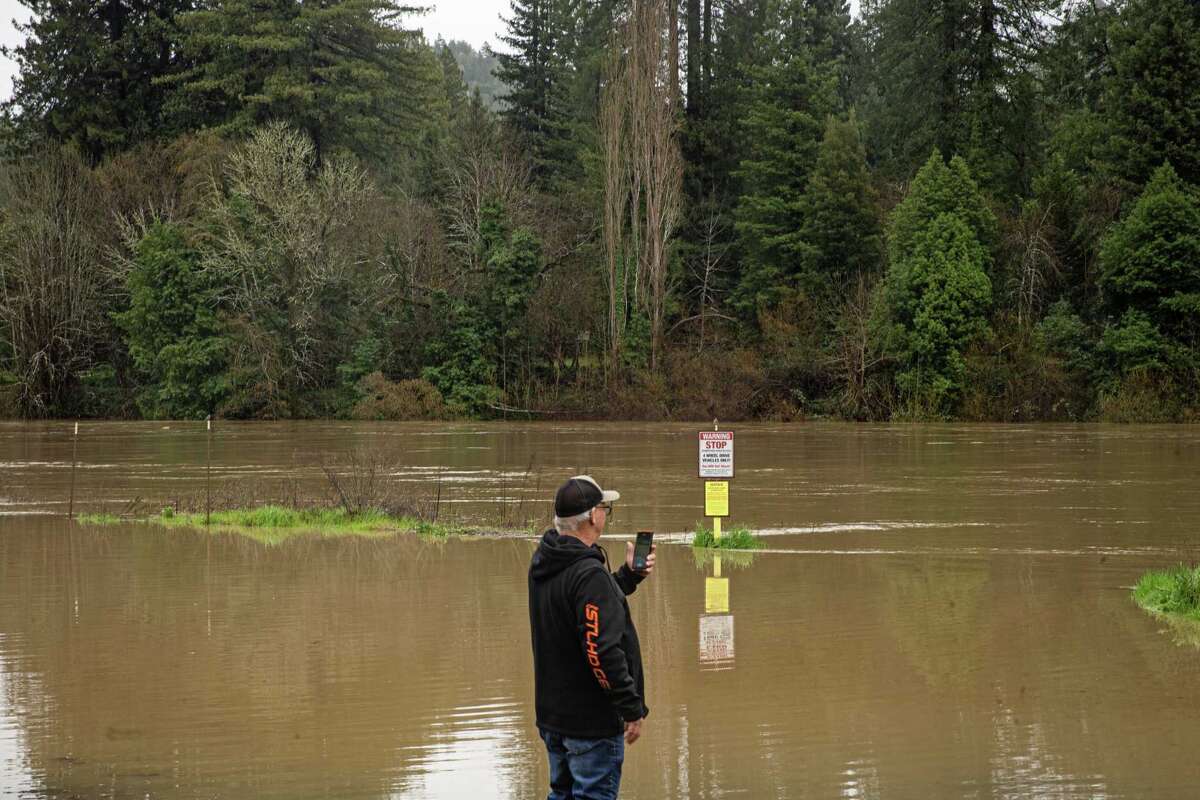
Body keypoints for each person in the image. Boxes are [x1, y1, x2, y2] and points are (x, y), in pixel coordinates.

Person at [528, 475, 657, 800]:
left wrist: (628, 576)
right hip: (590, 724)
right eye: (605, 507)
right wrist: (631, 709)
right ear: (591, 517)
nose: (606, 513)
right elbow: (601, 650)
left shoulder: (545, 560)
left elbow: (581, 610)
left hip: (553, 718)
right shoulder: (589, 574)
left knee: (562, 794)